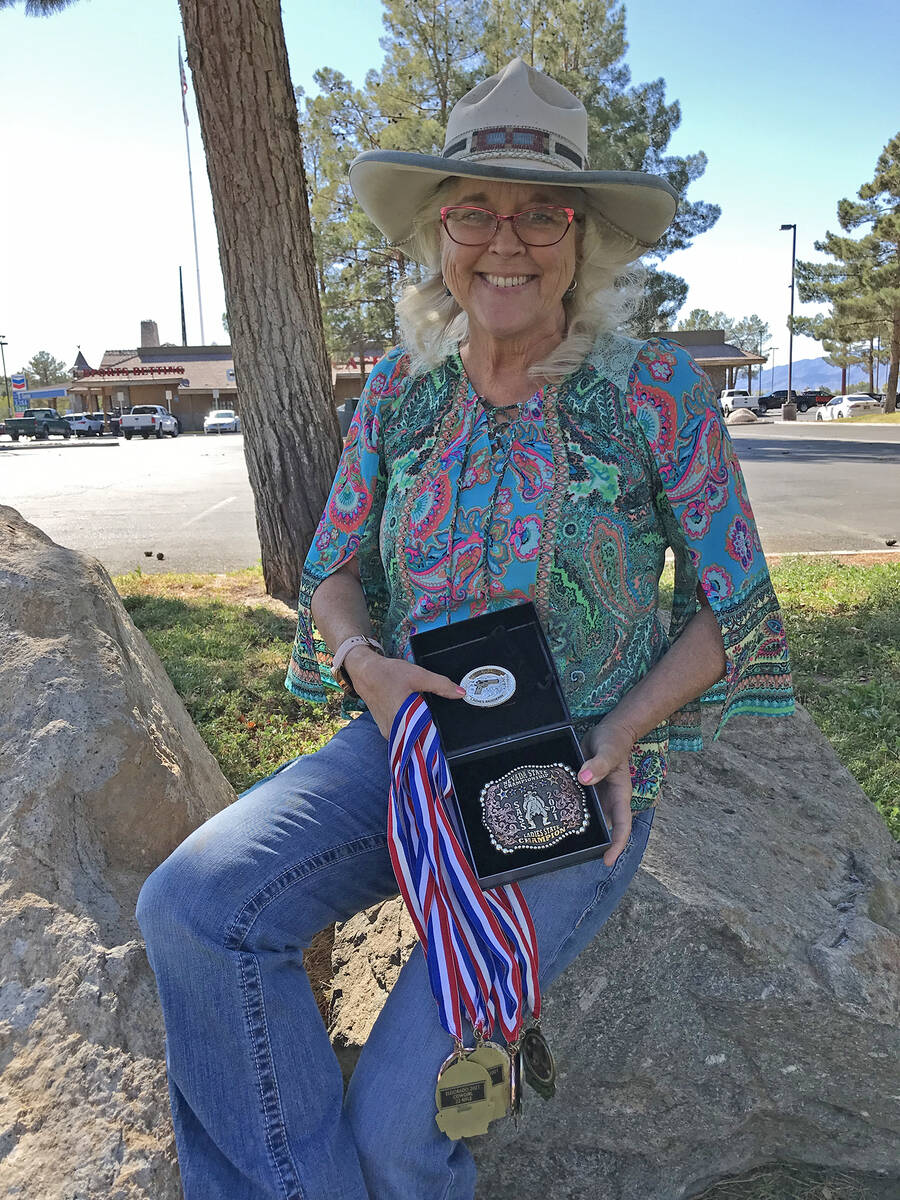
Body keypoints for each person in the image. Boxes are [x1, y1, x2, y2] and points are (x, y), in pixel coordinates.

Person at [137, 57, 793, 1200]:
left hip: (566, 771)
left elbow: (734, 606)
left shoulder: (655, 394)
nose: (508, 240)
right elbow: (331, 570)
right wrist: (366, 667)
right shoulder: (399, 390)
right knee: (193, 905)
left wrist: (626, 731)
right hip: (400, 748)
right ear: (439, 235)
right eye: (475, 211)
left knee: (402, 1126)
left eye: (543, 212)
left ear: (582, 240)